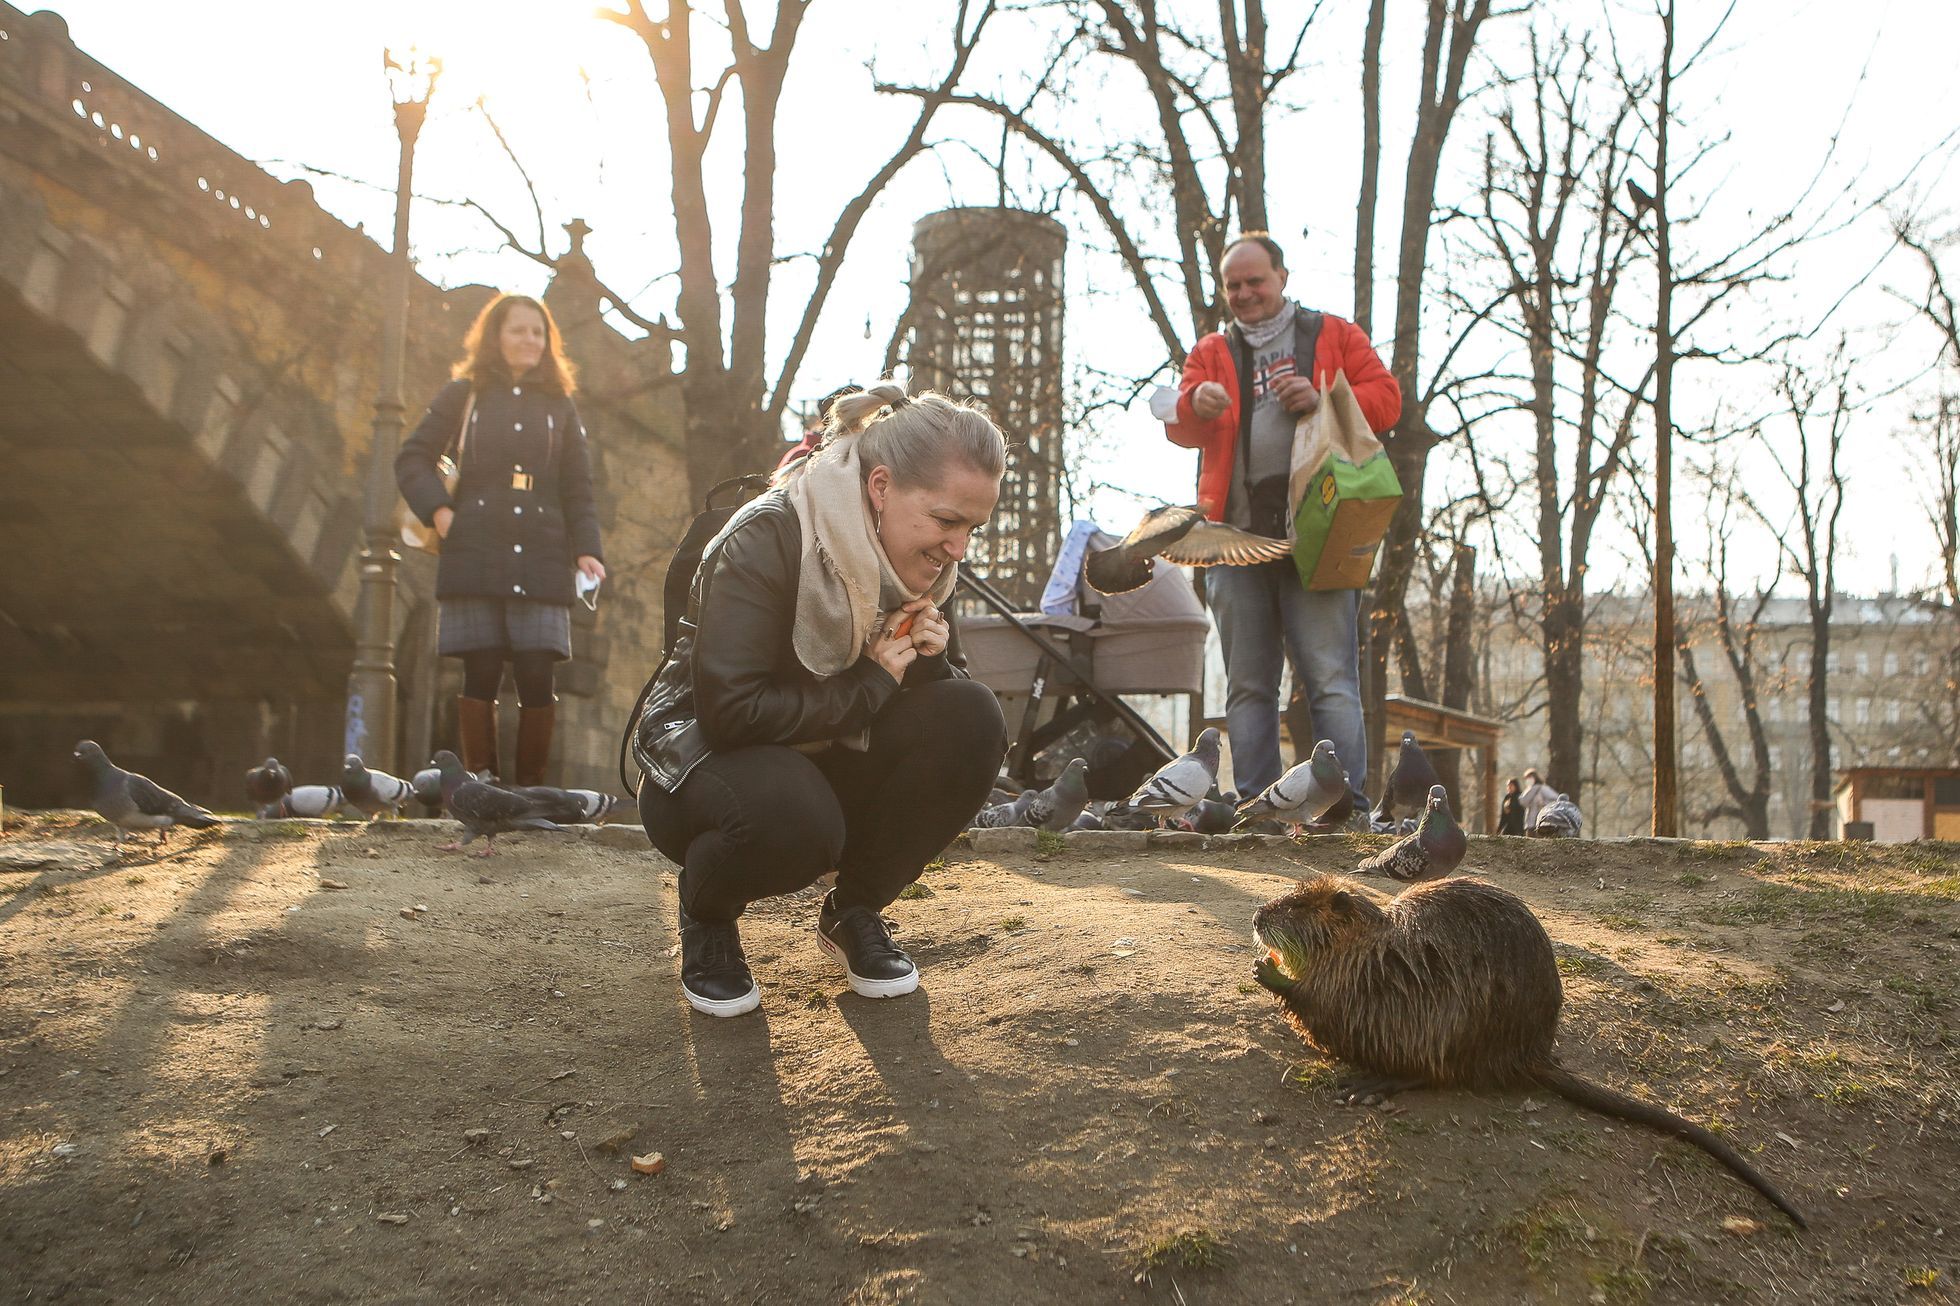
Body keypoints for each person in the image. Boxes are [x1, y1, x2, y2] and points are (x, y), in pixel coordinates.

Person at [631, 383, 1008, 1018]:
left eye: (972, 527)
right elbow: (731, 714)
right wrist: (871, 683)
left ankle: (853, 909)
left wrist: (926, 656)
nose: (958, 548)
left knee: (973, 717)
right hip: (702, 767)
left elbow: (938, 724)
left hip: (818, 758)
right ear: (881, 487)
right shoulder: (769, 534)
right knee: (795, 818)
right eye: (947, 521)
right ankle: (706, 909)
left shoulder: (917, 562)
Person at [1164, 233, 1401, 813]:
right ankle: (1257, 808)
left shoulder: (1333, 334)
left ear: (1282, 278)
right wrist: (1195, 405)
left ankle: (1345, 808)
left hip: (1320, 535)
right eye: (1233, 286)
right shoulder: (1212, 351)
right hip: (1235, 540)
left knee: (1331, 681)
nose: (1245, 294)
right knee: (1248, 685)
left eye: (1255, 282)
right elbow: (1180, 426)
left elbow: (1387, 400)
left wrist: (1324, 397)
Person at [397, 293, 605, 785]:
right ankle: (481, 784)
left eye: (538, 332)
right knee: (481, 667)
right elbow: (412, 459)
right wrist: (441, 513)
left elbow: (577, 486)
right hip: (475, 547)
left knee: (537, 671)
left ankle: (532, 789)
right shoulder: (463, 394)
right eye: (518, 330)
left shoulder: (559, 405)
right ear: (496, 336)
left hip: (542, 552)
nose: (530, 340)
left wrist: (587, 549)